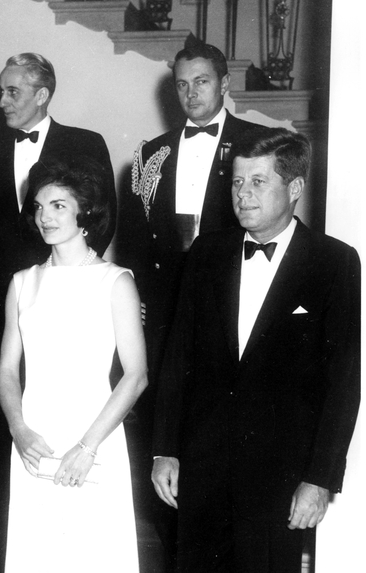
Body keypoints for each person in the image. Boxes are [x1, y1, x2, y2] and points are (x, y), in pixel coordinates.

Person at [151, 128, 360, 572]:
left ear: (295, 187)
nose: (242, 194)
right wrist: (164, 450)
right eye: (237, 182)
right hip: (201, 467)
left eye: (258, 182)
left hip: (279, 476)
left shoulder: (334, 262)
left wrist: (320, 479)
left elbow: (343, 383)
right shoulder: (206, 253)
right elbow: (176, 359)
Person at [118, 43, 261, 564]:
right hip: (163, 312)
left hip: (231, 306)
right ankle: (173, 544)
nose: (191, 93)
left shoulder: (257, 143)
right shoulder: (149, 155)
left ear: (224, 84)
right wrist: (138, 304)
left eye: (201, 81)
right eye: (182, 84)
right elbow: (134, 240)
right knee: (163, 424)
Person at [0, 157, 148, 572]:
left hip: (94, 431)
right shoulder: (22, 282)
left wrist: (86, 446)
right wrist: (18, 429)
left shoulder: (115, 281)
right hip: (34, 436)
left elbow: (136, 376)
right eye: (39, 207)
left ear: (85, 213)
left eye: (58, 206)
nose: (44, 216)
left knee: (92, 552)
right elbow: (7, 370)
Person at [0, 52, 116, 377]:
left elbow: (104, 218)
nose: (1, 102)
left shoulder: (85, 143)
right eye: (1, 91)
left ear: (41, 95)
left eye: (12, 92)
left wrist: (72, 274)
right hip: (5, 296)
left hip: (70, 289)